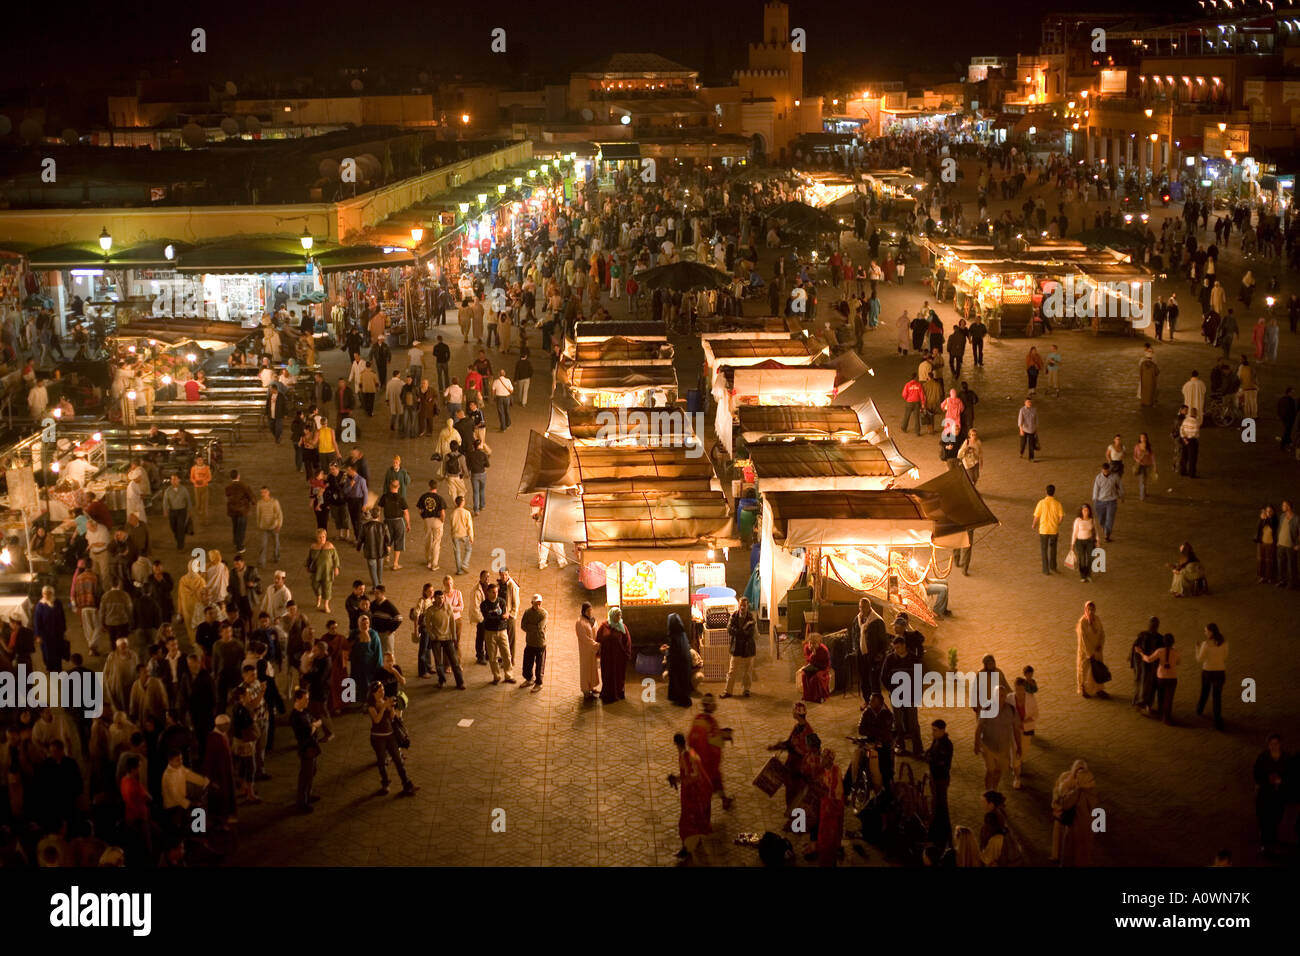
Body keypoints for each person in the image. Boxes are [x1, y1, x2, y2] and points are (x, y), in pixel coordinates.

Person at [366, 682, 417, 796]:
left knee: (398, 760)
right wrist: (384, 707)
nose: (382, 692)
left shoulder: (385, 700)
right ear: (373, 693)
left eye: (383, 689)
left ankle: (407, 784)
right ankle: (385, 784)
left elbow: (392, 717)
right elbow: (376, 720)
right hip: (378, 738)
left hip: (390, 735)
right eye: (379, 691)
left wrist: (392, 708)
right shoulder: (371, 706)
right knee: (381, 761)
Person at [668, 732, 712, 864]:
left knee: (688, 822)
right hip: (702, 789)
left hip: (694, 793)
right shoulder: (692, 752)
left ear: (676, 743)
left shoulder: (685, 756)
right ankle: (695, 842)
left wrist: (677, 779)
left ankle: (687, 849)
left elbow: (693, 776)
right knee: (697, 817)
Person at [1049, 759, 1098, 865]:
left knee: (1071, 849)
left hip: (1074, 825)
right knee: (1083, 850)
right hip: (1087, 826)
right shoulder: (1092, 790)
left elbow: (1065, 803)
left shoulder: (1078, 792)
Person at [1254, 734, 1290, 855]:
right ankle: (1265, 843)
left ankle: (1273, 840)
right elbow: (1256, 774)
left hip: (1279, 795)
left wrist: (1282, 781)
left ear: (1281, 744)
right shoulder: (1263, 758)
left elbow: (1292, 775)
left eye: (1276, 743)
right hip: (1265, 794)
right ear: (1268, 745)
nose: (1274, 746)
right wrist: (1267, 780)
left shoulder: (1286, 758)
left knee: (1276, 818)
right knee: (1264, 818)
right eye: (1271, 744)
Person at [289, 688, 322, 813]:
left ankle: (308, 794)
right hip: (306, 748)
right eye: (305, 699)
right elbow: (306, 732)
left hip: (312, 746)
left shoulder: (305, 711)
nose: (308, 701)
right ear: (298, 699)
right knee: (305, 775)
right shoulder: (295, 716)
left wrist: (313, 725)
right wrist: (314, 726)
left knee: (312, 771)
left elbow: (312, 721)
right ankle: (302, 803)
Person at [1140, 632, 1181, 724]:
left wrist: (1141, 653)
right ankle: (1166, 717)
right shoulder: (1176, 652)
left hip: (1161, 677)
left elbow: (1149, 659)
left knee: (1161, 695)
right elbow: (1178, 662)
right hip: (1172, 677)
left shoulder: (1159, 651)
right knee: (1169, 698)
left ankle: (1160, 711)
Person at [721, 596, 757, 699]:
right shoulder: (734, 616)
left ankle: (746, 690)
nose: (742, 607)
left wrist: (738, 632)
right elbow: (729, 629)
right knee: (732, 671)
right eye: (741, 605)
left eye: (744, 606)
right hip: (736, 648)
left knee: (748, 672)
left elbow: (750, 633)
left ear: (747, 606)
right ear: (738, 605)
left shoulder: (751, 618)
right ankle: (728, 691)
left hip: (748, 649)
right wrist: (742, 630)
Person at [1195, 623, 1228, 730]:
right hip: (1220, 672)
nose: (1205, 633)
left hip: (1208, 671)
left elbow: (1199, 659)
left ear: (1211, 632)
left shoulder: (1206, 644)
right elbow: (1225, 656)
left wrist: (1197, 648)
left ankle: (1199, 709)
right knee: (1217, 696)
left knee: (1205, 691)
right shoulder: (1224, 642)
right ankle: (1217, 719)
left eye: (1206, 631)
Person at [925, 719, 954, 847]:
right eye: (932, 730)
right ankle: (939, 832)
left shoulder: (946, 745)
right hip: (935, 778)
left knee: (940, 806)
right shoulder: (937, 740)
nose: (933, 733)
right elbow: (929, 752)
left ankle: (943, 833)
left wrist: (930, 758)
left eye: (935, 730)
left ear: (942, 730)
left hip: (941, 779)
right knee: (937, 805)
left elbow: (938, 762)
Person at [597, 607, 632, 704]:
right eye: (617, 615)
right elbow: (598, 638)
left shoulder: (622, 627)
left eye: (620, 615)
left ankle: (618, 693)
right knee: (607, 675)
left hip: (618, 658)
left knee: (618, 676)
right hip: (607, 658)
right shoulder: (604, 626)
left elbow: (627, 641)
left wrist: (627, 654)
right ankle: (607, 694)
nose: (619, 617)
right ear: (612, 616)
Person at [1076, 600, 1109, 698]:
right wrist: (1090, 653)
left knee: (1097, 669)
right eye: (1089, 609)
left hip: (1097, 650)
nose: (1091, 611)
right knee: (1085, 670)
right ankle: (1084, 689)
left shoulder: (1097, 620)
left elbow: (1102, 633)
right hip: (1086, 652)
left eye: (1092, 609)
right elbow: (1083, 639)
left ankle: (1099, 689)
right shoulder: (1083, 622)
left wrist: (1100, 645)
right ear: (1086, 609)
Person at [1032, 484, 1065, 575]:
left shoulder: (1041, 503)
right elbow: (1061, 517)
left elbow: (1036, 516)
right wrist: (1057, 524)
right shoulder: (1058, 504)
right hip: (1054, 530)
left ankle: (1045, 569)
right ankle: (1053, 566)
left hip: (1043, 530)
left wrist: (1033, 524)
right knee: (1053, 549)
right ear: (1054, 492)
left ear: (1046, 492)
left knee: (1044, 549)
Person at [663, 612, 693, 707]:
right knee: (682, 681)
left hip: (678, 664)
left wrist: (664, 651)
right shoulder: (682, 634)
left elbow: (673, 653)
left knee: (677, 681)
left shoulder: (673, 637)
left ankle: (680, 700)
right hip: (684, 663)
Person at [306, 528, 340, 612]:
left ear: (326, 537)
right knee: (315, 586)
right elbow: (309, 558)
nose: (322, 539)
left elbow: (336, 558)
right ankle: (318, 596)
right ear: (316, 538)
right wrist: (307, 566)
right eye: (319, 537)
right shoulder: (313, 547)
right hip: (316, 571)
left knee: (327, 588)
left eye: (323, 537)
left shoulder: (330, 546)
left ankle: (326, 605)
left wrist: (336, 568)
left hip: (327, 571)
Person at [519, 594, 547, 689]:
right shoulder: (527, 612)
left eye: (539, 603)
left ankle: (539, 683)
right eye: (536, 603)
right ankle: (529, 679)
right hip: (530, 642)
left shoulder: (544, 613)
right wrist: (533, 626)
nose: (538, 605)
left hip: (540, 643)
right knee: (527, 664)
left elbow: (540, 627)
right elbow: (523, 625)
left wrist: (530, 626)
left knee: (539, 666)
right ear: (532, 603)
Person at [1091, 462, 1123, 543]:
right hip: (1100, 501)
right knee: (1101, 519)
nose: (1105, 472)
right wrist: (1095, 498)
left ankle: (1107, 534)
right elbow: (1096, 488)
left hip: (1112, 501)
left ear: (1109, 469)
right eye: (1104, 471)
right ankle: (1104, 527)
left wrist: (1122, 495)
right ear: (1102, 470)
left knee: (1110, 519)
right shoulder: (1098, 478)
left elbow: (1120, 486)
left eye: (1107, 470)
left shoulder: (1115, 477)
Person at [161, 474, 192, 551]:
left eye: (175, 479)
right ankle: (179, 538)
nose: (173, 481)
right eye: (172, 479)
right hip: (172, 512)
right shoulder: (168, 490)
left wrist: (189, 510)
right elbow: (165, 501)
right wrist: (165, 510)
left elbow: (188, 500)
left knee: (180, 527)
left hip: (182, 511)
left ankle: (180, 545)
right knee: (173, 527)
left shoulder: (183, 489)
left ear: (179, 480)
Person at [576, 603, 600, 701]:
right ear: (584, 611)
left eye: (591, 610)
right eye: (588, 611)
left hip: (593, 650)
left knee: (593, 668)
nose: (590, 612)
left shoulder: (592, 620)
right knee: (586, 669)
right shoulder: (579, 622)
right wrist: (595, 644)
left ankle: (592, 687)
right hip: (586, 650)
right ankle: (586, 690)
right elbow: (584, 638)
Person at [800, 631, 832, 704]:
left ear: (819, 643)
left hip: (822, 667)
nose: (811, 645)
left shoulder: (824, 650)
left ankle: (818, 697)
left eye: (814, 643)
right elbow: (808, 660)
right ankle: (807, 696)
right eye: (810, 643)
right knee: (804, 675)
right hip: (812, 666)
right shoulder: (806, 648)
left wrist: (815, 658)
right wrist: (812, 655)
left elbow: (826, 664)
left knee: (816, 678)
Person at [1068, 504, 1097, 582]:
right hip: (1080, 541)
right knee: (1082, 558)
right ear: (1081, 511)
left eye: (1087, 510)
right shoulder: (1078, 520)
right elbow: (1074, 532)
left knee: (1090, 558)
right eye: (1084, 510)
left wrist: (1097, 540)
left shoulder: (1091, 520)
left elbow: (1095, 531)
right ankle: (1083, 575)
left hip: (1089, 541)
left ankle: (1088, 574)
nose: (1085, 512)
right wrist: (1072, 544)